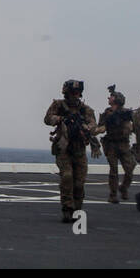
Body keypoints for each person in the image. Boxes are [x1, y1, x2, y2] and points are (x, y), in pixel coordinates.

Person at [43, 79, 101, 223]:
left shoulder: (85, 109)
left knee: (79, 183)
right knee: (67, 177)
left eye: (77, 93)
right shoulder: (58, 105)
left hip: (79, 149)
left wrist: (85, 127)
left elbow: (93, 125)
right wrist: (62, 119)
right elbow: (47, 119)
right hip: (63, 148)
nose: (76, 96)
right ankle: (67, 209)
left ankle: (77, 210)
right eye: (73, 93)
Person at [97, 85, 136, 203]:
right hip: (111, 144)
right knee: (113, 170)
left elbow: (133, 125)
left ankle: (123, 188)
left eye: (111, 97)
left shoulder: (125, 113)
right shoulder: (107, 113)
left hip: (124, 144)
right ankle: (113, 194)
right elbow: (101, 126)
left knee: (130, 168)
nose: (109, 98)